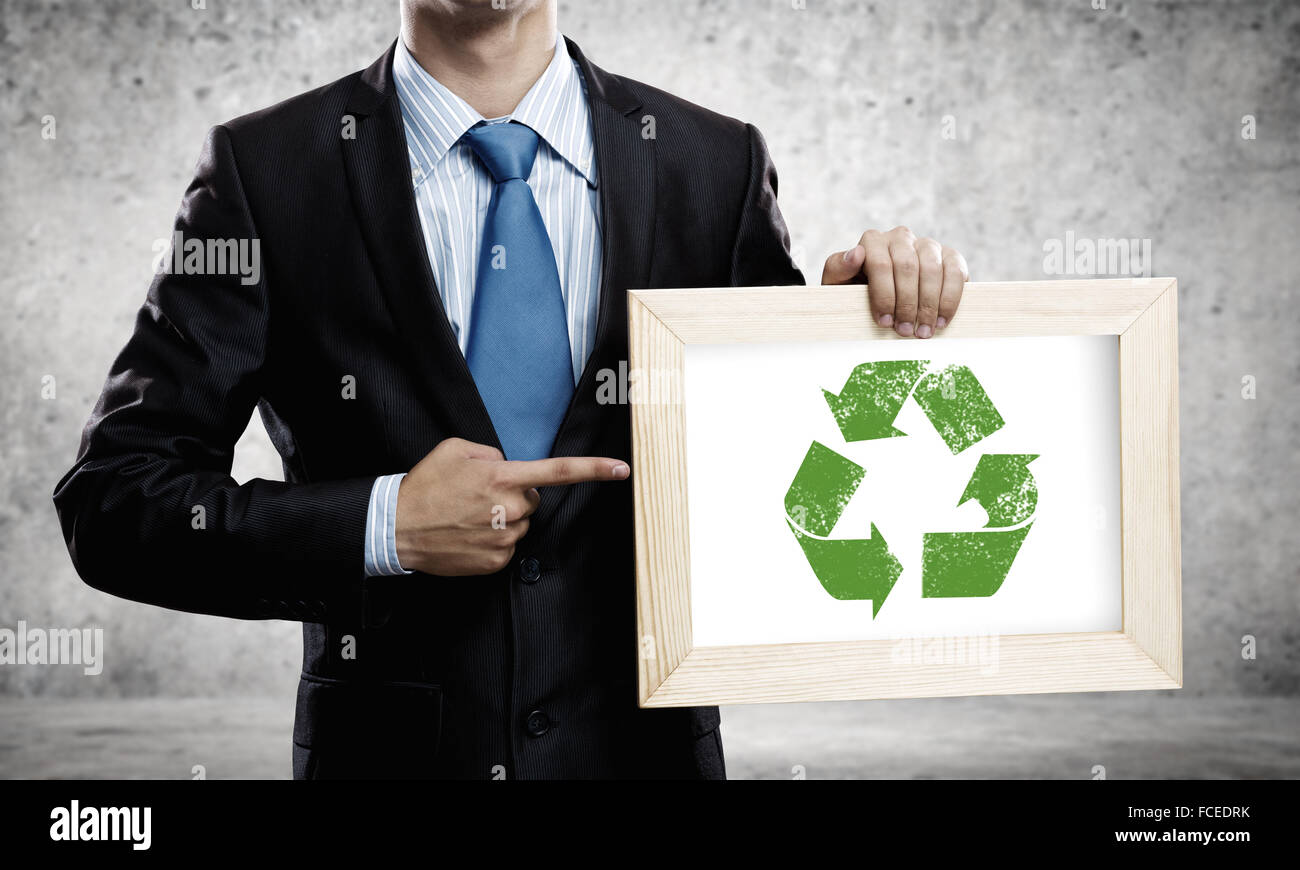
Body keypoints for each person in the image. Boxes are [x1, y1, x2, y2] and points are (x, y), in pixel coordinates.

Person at [53, 0, 969, 779]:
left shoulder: (713, 162)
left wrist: (860, 341)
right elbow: (115, 501)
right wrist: (385, 525)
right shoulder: (268, 171)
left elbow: (780, 484)